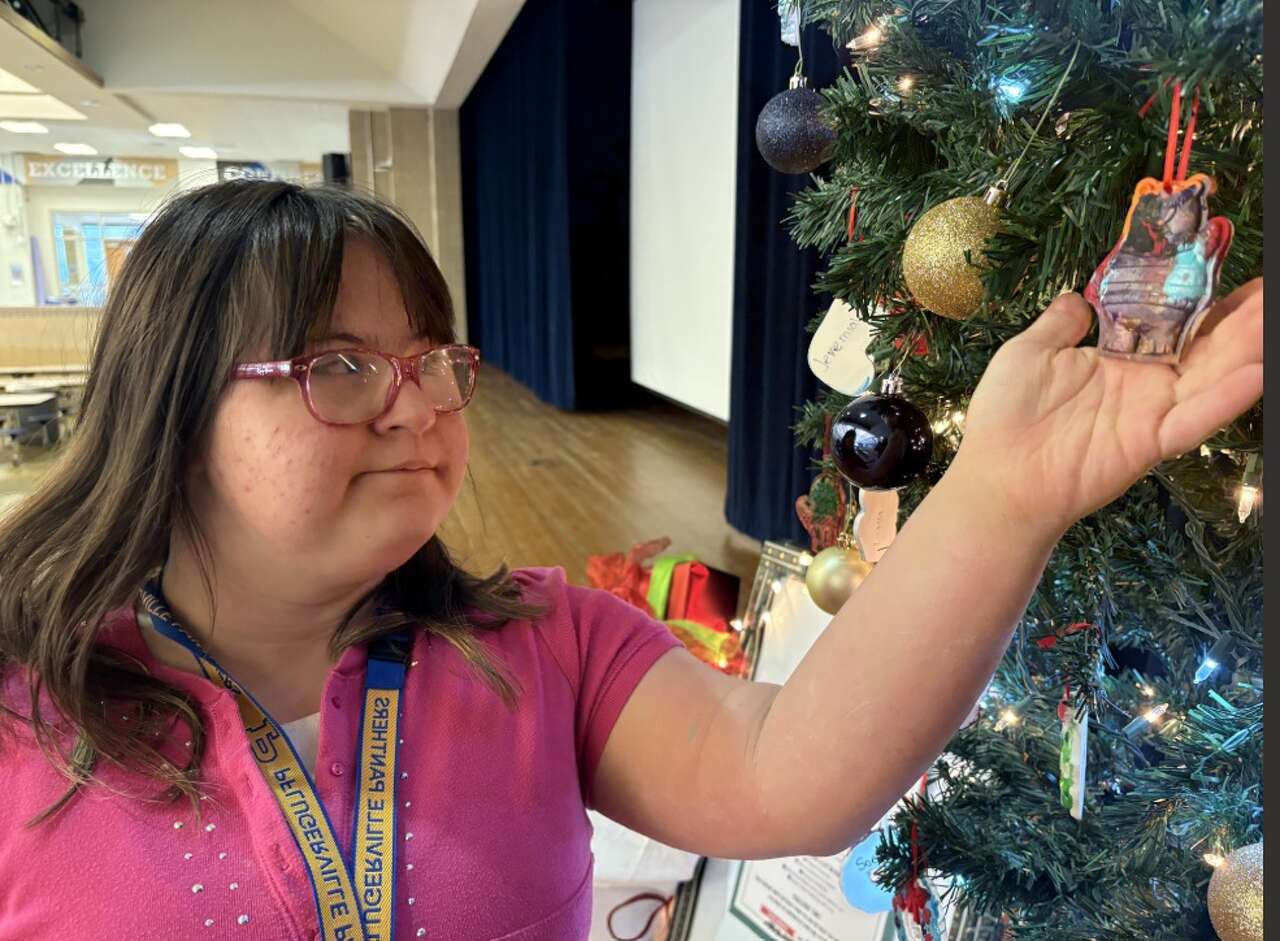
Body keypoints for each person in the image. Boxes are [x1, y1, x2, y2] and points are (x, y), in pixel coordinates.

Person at [0, 180, 1262, 941]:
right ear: (168, 403)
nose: (418, 404)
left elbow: (790, 774)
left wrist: (1004, 489)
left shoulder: (540, 640)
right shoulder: (24, 707)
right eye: (336, 365)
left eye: (433, 360)